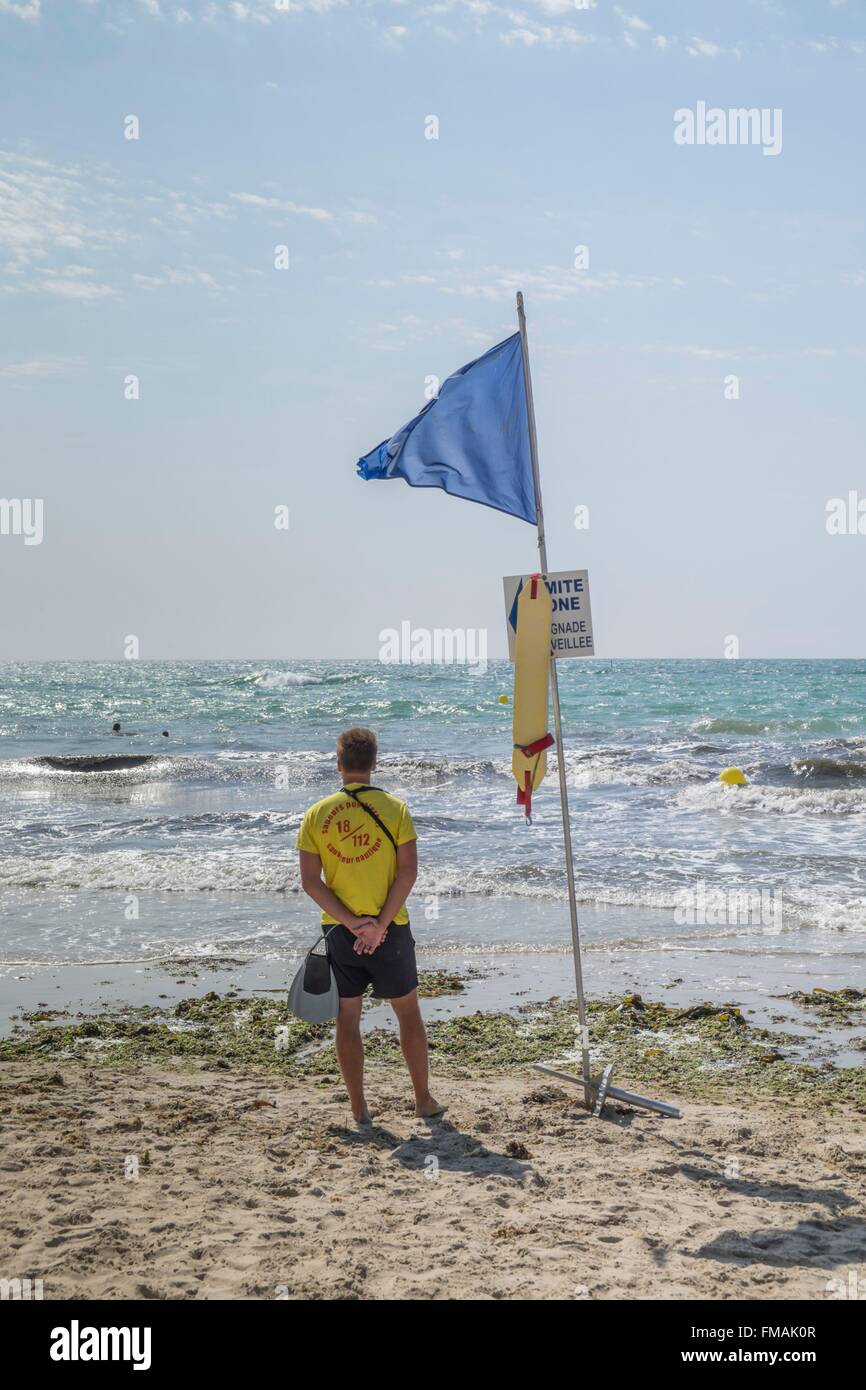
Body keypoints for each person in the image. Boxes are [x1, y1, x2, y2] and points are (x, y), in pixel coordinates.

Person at [296, 726, 444, 1125]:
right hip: (390, 931)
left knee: (348, 1017)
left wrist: (352, 923)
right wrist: (378, 925)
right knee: (408, 1013)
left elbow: (311, 882)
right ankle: (422, 1100)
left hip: (339, 932)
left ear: (339, 764)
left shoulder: (317, 813)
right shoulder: (397, 809)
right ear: (375, 764)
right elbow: (408, 874)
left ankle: (360, 1108)